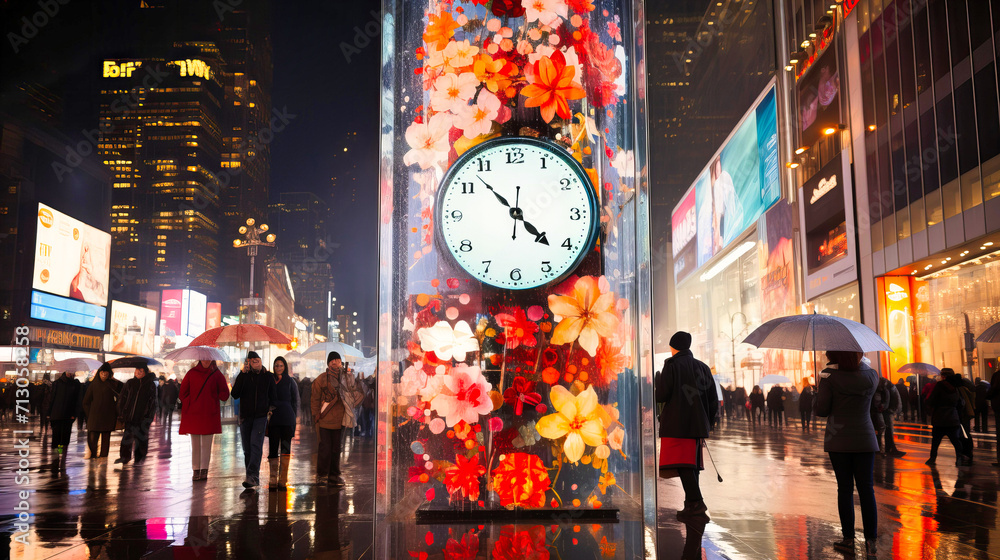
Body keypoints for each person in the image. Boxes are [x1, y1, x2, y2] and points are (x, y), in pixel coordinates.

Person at [815, 350, 879, 558]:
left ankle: (848, 539)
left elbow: (822, 410)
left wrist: (821, 388)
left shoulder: (829, 377)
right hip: (866, 438)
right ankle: (871, 541)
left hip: (839, 438)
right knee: (866, 489)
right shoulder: (871, 375)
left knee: (845, 489)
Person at [655, 331, 717, 521]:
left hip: (676, 424)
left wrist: (658, 379)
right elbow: (713, 399)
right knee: (691, 465)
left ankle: (697, 502)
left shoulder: (672, 365)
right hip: (697, 425)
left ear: (674, 346)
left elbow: (661, 395)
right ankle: (691, 505)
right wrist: (709, 422)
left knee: (682, 464)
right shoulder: (703, 367)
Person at [311, 351, 364, 487]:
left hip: (341, 419)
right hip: (325, 419)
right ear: (328, 363)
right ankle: (322, 475)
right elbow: (315, 398)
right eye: (332, 360)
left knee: (336, 448)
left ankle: (334, 475)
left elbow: (354, 392)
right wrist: (315, 414)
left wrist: (352, 379)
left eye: (337, 360)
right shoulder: (321, 379)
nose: (335, 362)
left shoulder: (346, 377)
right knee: (325, 448)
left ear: (341, 362)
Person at [230, 351, 276, 489]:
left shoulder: (268, 376)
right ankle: (251, 476)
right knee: (247, 449)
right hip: (245, 417)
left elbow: (273, 395)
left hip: (261, 417)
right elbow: (235, 393)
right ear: (248, 363)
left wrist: (270, 410)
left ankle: (252, 476)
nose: (255, 363)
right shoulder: (244, 376)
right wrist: (242, 374)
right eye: (252, 361)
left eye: (257, 360)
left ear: (261, 361)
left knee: (256, 445)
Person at [179, 359, 230, 481]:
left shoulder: (216, 374)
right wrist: (191, 403)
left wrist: (215, 397)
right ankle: (196, 470)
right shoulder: (191, 373)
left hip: (209, 414)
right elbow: (182, 393)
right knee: (195, 445)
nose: (206, 361)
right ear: (200, 359)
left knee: (206, 446)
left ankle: (204, 470)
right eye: (204, 358)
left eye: (208, 358)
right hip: (194, 414)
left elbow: (225, 394)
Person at [925, 368, 972, 467]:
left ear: (943, 376)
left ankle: (932, 458)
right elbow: (961, 402)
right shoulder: (957, 386)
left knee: (936, 441)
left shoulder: (940, 385)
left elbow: (931, 400)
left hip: (940, 417)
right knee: (956, 440)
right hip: (953, 417)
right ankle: (959, 458)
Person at [267, 356, 299, 490]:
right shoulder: (269, 381)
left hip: (287, 419)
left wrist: (294, 420)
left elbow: (295, 402)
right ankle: (273, 479)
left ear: (284, 366)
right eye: (276, 366)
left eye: (281, 365)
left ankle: (283, 480)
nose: (278, 368)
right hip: (274, 419)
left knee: (285, 449)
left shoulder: (290, 381)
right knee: (273, 448)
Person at [116, 365, 158, 464]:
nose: (138, 372)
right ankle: (124, 457)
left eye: (141, 370)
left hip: (143, 418)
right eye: (137, 370)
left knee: (141, 439)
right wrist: (122, 413)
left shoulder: (150, 385)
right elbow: (122, 399)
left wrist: (149, 418)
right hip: (130, 417)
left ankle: (139, 458)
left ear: (145, 372)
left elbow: (153, 403)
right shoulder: (130, 383)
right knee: (126, 438)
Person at [82, 363, 122, 459]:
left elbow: (123, 392)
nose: (104, 375)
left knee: (105, 441)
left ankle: (103, 459)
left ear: (109, 374)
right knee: (92, 439)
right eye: (102, 372)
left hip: (108, 417)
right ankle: (93, 455)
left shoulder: (113, 384)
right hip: (94, 418)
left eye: (106, 373)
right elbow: (85, 402)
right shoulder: (93, 385)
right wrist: (90, 414)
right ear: (99, 373)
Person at [48, 371, 82, 461]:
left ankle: (63, 457)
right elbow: (51, 399)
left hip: (68, 416)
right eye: (69, 371)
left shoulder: (75, 385)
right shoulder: (56, 383)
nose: (70, 373)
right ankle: (57, 456)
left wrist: (74, 415)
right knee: (57, 438)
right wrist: (48, 413)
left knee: (65, 438)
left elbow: (78, 401)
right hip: (56, 415)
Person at [882, 376, 905, 457]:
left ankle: (888, 448)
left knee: (887, 429)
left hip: (888, 410)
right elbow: (894, 399)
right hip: (888, 410)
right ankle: (889, 448)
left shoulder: (886, 386)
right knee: (888, 429)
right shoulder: (888, 386)